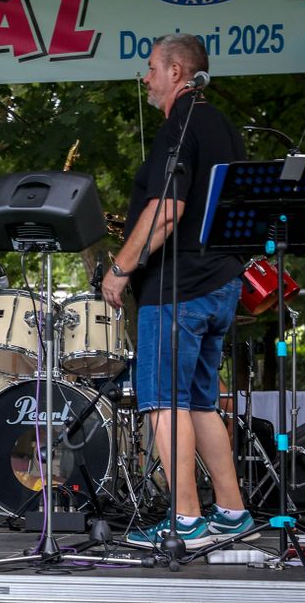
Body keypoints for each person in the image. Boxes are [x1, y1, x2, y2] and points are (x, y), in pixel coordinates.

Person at [100, 33, 253, 549]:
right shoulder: (222, 127)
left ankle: (185, 522)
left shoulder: (179, 124)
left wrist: (121, 268)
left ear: (177, 72)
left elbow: (166, 210)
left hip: (178, 288)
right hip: (219, 284)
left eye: (150, 68)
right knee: (201, 403)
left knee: (164, 402)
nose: (145, 77)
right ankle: (232, 512)